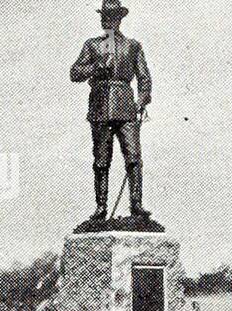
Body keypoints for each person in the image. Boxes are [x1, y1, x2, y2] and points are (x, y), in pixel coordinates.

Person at [70, 0, 152, 220]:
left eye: (111, 17)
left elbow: (144, 77)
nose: (107, 21)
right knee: (101, 160)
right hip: (100, 107)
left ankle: (136, 205)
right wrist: (96, 67)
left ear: (119, 19)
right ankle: (101, 207)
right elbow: (74, 73)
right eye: (104, 17)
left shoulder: (133, 46)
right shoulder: (92, 45)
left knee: (133, 157)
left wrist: (143, 99)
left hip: (126, 107)